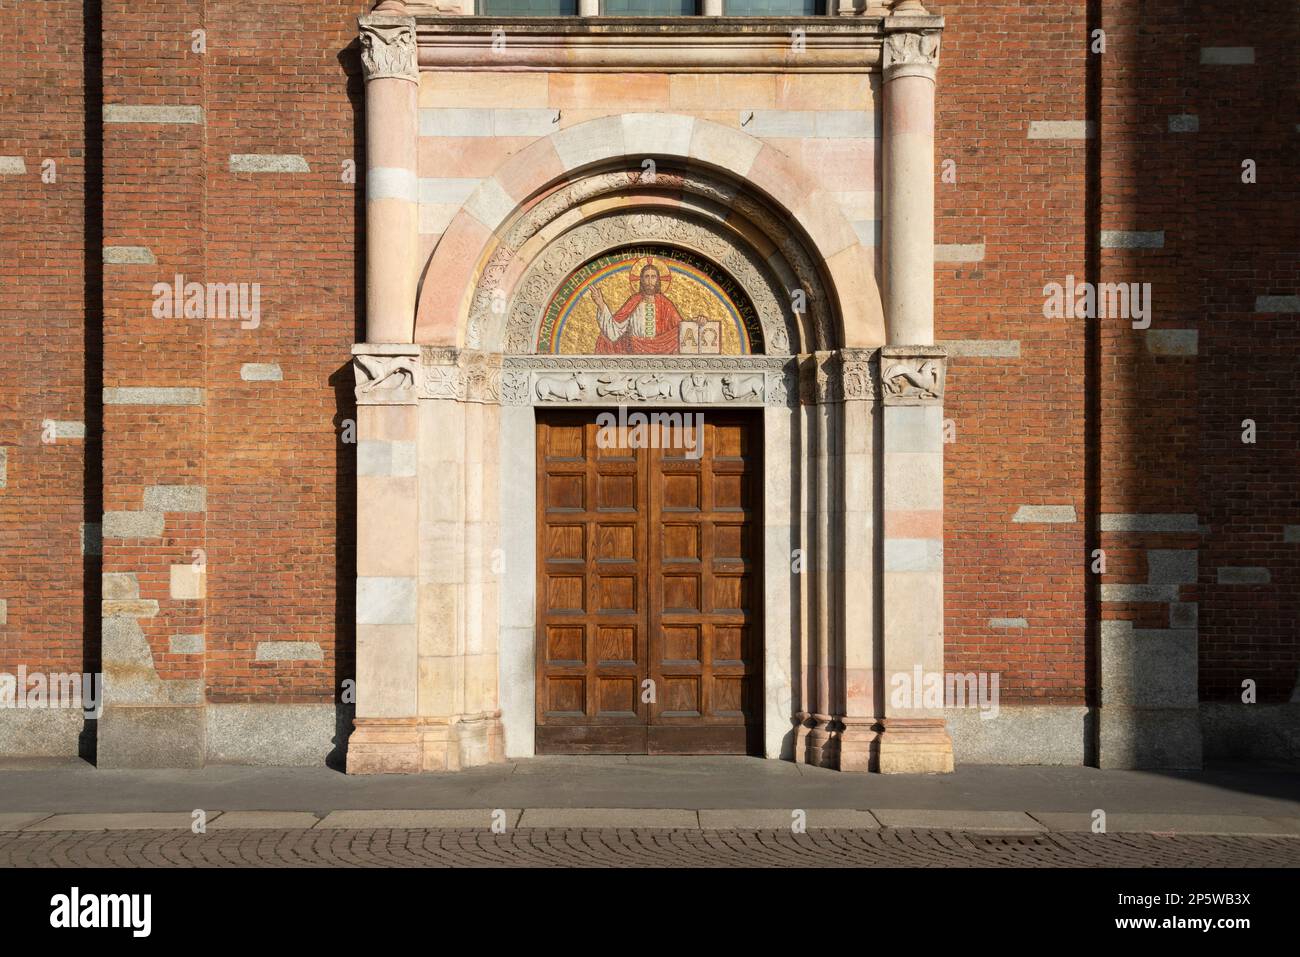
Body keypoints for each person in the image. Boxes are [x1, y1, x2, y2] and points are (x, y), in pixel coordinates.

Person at [591, 263, 684, 354]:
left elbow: (682, 328)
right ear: (641, 280)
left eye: (653, 277)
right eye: (647, 277)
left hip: (662, 352)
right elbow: (614, 331)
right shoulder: (634, 302)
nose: (650, 281)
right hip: (635, 353)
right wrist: (601, 304)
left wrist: (697, 324)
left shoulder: (665, 304)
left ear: (658, 280)